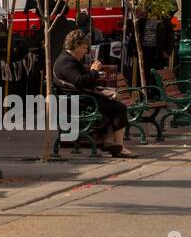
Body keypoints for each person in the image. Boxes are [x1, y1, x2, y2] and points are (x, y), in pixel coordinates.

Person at [54, 29, 135, 158]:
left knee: (112, 103)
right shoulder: (66, 61)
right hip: (77, 102)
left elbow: (85, 83)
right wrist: (94, 71)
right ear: (76, 45)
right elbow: (81, 81)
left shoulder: (69, 60)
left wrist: (104, 91)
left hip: (80, 98)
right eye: (84, 48)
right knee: (119, 108)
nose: (86, 52)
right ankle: (119, 146)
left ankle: (110, 141)